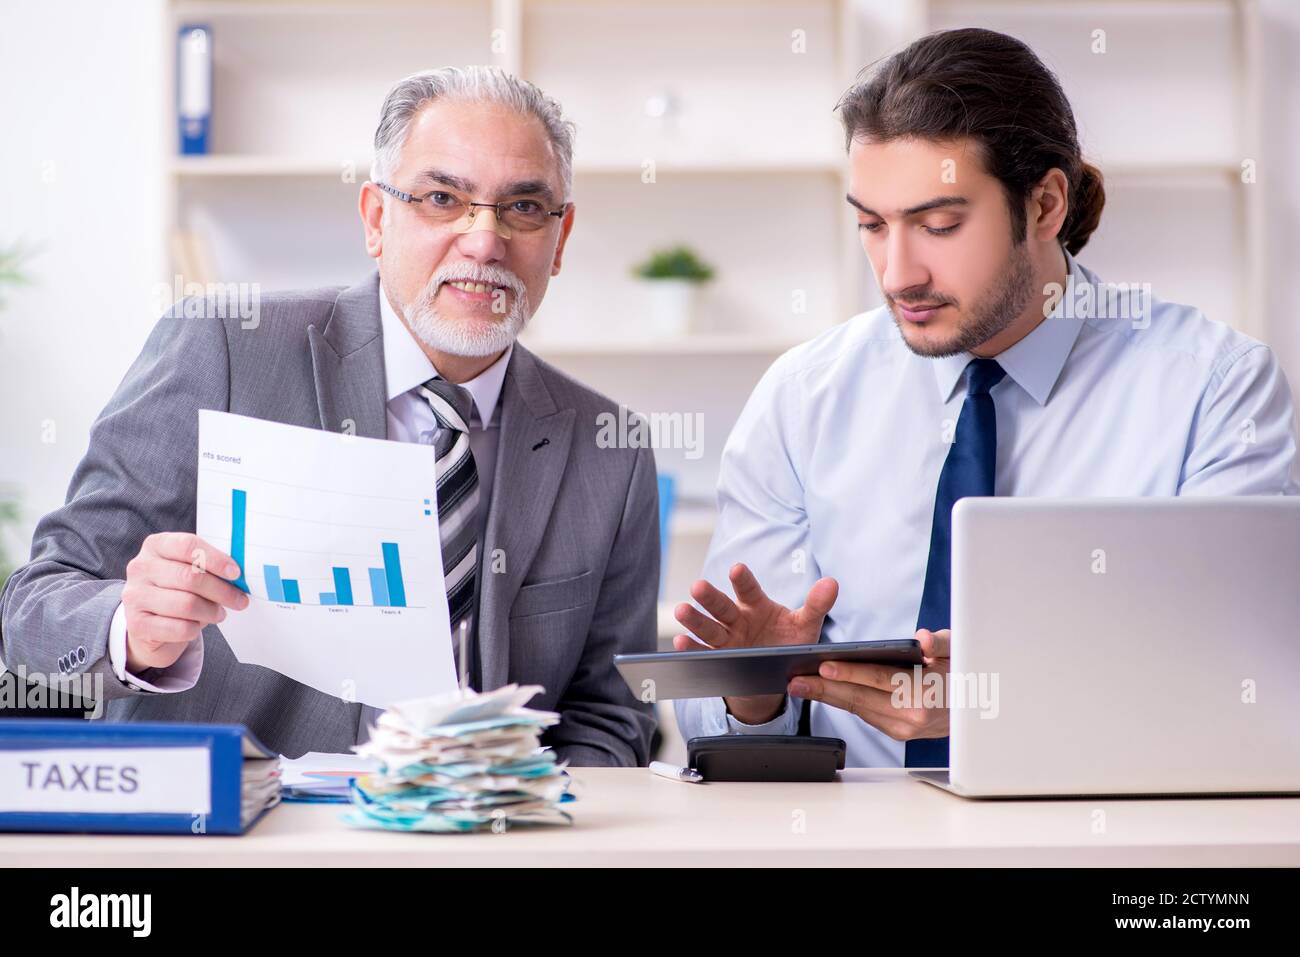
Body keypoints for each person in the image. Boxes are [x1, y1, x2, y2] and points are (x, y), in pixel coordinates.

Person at [672, 28, 1299, 768]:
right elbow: (710, 725)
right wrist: (756, 690)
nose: (898, 272)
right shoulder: (804, 397)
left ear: (1044, 205)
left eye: (940, 224)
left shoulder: (1214, 390)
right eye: (872, 225)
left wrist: (1009, 699)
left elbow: (1246, 691)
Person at [0, 67, 658, 764]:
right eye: (442, 197)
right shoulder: (223, 347)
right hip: (238, 835)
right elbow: (32, 613)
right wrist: (131, 625)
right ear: (376, 219)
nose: (484, 239)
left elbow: (610, 716)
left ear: (560, 239)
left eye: (523, 207)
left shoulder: (610, 452)